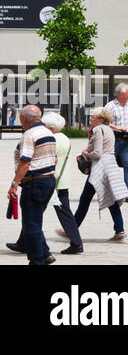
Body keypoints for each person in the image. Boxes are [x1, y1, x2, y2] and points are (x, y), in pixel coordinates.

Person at [5, 104, 58, 264]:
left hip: (34, 182)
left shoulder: (30, 134)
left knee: (31, 225)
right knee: (34, 220)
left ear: (24, 118)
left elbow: (25, 162)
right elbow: (54, 159)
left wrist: (14, 184)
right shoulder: (48, 133)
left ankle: (37, 261)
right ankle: (46, 253)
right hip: (48, 180)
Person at [73, 108, 127, 242]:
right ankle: (119, 230)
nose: (90, 118)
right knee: (111, 200)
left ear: (101, 119)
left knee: (85, 199)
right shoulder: (108, 129)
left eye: (93, 117)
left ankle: (71, 229)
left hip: (99, 169)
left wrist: (85, 153)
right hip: (110, 166)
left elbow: (96, 153)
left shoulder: (98, 130)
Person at [43, 112, 84, 255]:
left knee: (34, 210)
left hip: (52, 180)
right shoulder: (65, 138)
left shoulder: (52, 139)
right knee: (64, 212)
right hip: (62, 180)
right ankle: (76, 242)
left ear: (51, 127)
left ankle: (77, 243)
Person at [104, 83, 128, 191]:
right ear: (122, 94)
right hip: (114, 139)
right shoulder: (110, 106)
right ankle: (108, 190)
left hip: (126, 140)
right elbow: (104, 122)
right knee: (110, 166)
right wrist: (117, 128)